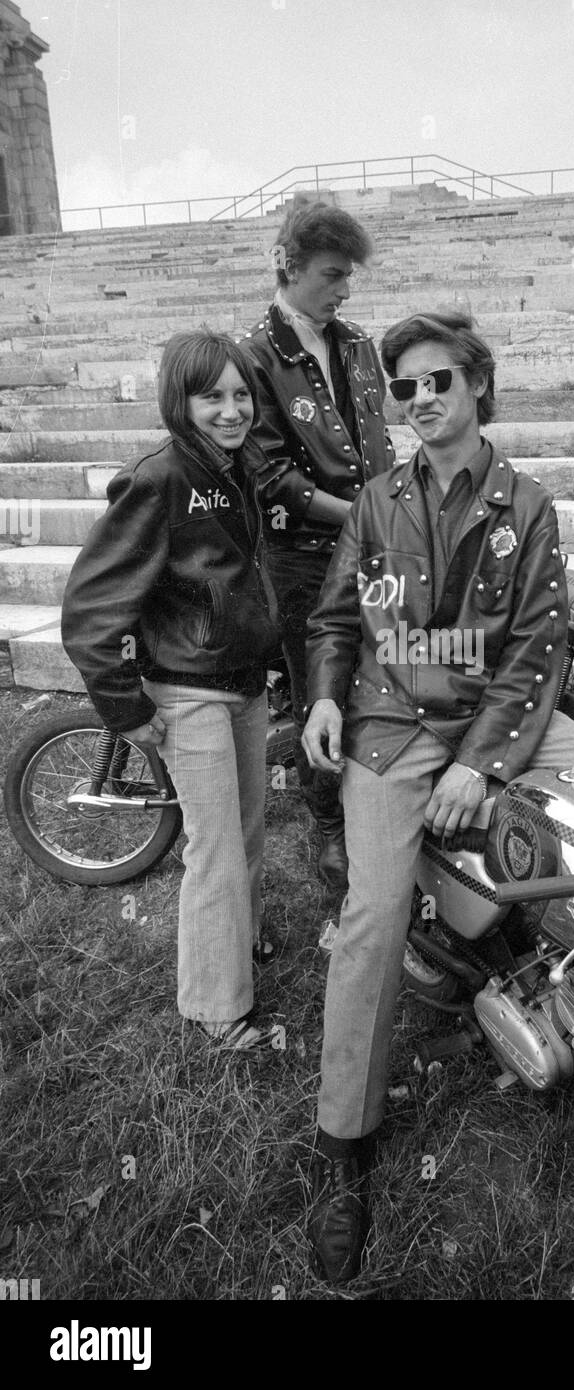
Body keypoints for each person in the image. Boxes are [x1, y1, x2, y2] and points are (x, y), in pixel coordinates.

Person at [299, 311, 574, 1282]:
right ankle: (345, 1147)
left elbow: (536, 649)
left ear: (477, 388)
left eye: (438, 382)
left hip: (500, 710)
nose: (421, 398)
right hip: (392, 722)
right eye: (405, 387)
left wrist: (480, 759)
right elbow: (337, 619)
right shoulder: (378, 499)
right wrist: (325, 701)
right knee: (373, 922)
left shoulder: (527, 505)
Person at [61, 331, 282, 1050]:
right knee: (214, 847)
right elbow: (92, 610)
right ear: (179, 401)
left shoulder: (238, 465)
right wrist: (126, 707)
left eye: (241, 394)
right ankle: (217, 1008)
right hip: (189, 693)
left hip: (244, 682)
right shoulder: (159, 478)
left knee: (248, 831)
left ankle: (237, 945)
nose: (231, 409)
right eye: (211, 395)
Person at [237, 202, 395, 893]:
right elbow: (270, 476)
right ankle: (327, 826)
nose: (344, 289)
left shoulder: (358, 343)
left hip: (376, 542)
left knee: (384, 671)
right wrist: (366, 515)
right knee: (319, 689)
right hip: (302, 553)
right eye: (332, 274)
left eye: (349, 276)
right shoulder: (250, 356)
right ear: (289, 265)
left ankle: (378, 798)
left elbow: (379, 443)